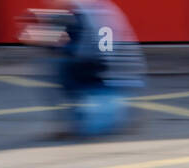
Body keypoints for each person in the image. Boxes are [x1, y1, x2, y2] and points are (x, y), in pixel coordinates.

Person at [20, 1, 145, 137]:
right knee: (59, 64)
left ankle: (90, 116)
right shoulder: (88, 7)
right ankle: (89, 115)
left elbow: (80, 46)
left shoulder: (83, 11)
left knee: (57, 65)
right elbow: (73, 37)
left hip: (105, 68)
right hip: (108, 65)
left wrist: (42, 39)